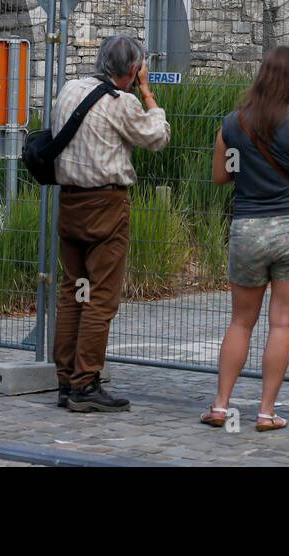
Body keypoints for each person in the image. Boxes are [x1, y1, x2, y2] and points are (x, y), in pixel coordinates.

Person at [202, 46, 289, 432]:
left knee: (241, 322)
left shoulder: (233, 123)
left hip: (248, 229)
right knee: (281, 324)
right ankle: (265, 412)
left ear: (260, 76)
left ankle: (222, 406)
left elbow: (221, 177)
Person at [53, 35, 168, 412]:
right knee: (100, 295)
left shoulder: (70, 89)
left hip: (69, 202)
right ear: (133, 71)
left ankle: (66, 379)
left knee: (74, 290)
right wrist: (148, 94)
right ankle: (86, 383)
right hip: (105, 205)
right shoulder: (123, 102)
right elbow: (157, 137)